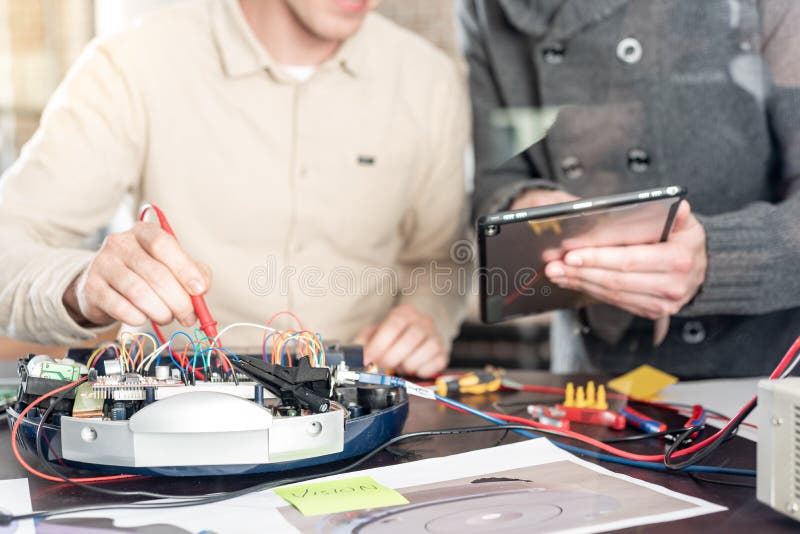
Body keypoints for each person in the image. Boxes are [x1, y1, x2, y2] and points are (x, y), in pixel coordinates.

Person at [0, 0, 469, 378]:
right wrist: (83, 287)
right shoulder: (133, 64)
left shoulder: (430, 80)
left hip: (360, 412)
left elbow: (437, 259)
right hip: (175, 412)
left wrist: (424, 319)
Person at [460, 0, 800, 378]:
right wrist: (535, 210)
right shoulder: (482, 8)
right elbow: (497, 177)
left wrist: (716, 259)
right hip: (592, 368)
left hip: (766, 372)